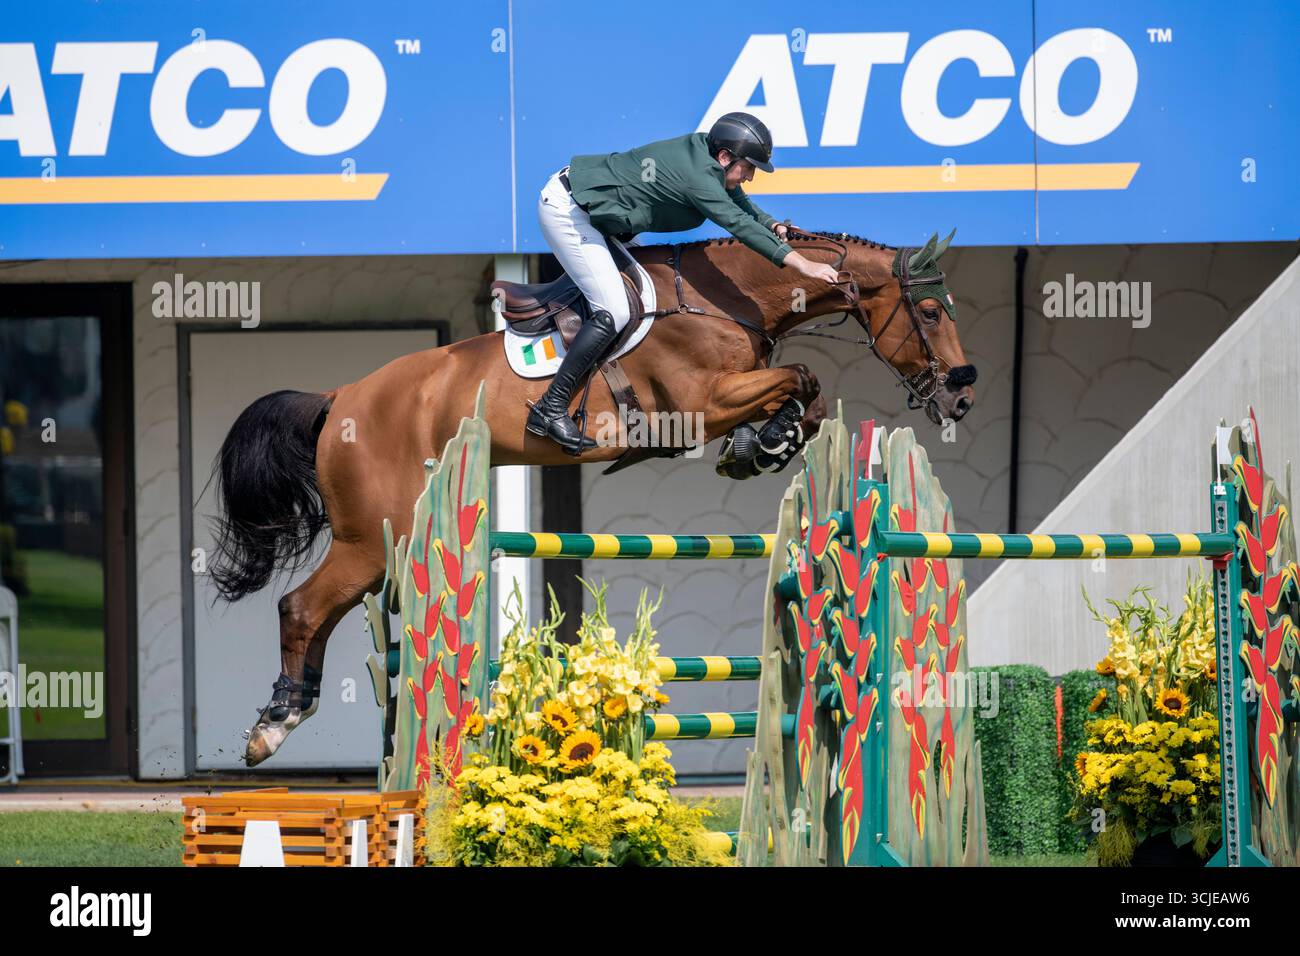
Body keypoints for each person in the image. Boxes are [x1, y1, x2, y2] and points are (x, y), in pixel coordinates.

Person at [528, 111, 840, 454]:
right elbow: (737, 223)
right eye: (748, 168)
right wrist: (801, 263)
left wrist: (773, 224)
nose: (750, 177)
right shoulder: (698, 178)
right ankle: (550, 407)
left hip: (596, 216)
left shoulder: (709, 160)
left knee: (651, 297)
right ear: (725, 157)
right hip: (569, 212)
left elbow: (738, 202)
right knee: (615, 309)